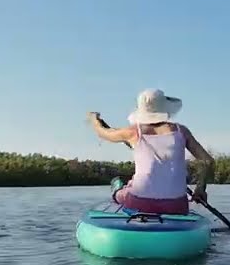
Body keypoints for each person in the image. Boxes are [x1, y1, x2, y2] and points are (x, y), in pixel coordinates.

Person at [87, 88, 215, 215]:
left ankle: (117, 190)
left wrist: (94, 120)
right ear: (165, 108)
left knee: (119, 192)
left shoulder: (132, 132)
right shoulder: (181, 131)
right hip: (176, 204)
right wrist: (200, 188)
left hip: (140, 202)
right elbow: (208, 161)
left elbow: (104, 133)